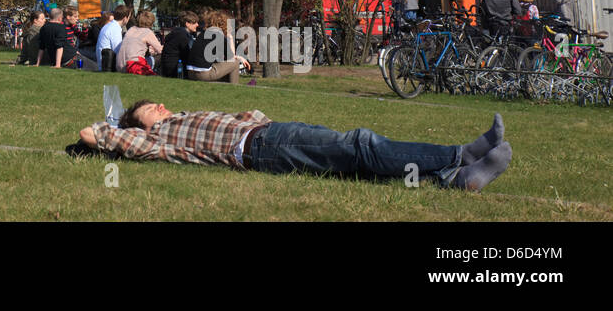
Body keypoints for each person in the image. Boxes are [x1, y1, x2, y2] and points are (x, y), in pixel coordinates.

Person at [72, 101, 512, 191]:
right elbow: (91, 135)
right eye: (151, 107)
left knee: (355, 162)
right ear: (138, 124)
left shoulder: (180, 117)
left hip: (273, 132)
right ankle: (459, 155)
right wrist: (113, 125)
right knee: (359, 145)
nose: (161, 106)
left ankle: (455, 181)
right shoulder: (154, 140)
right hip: (262, 148)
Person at [186, 9, 251, 84]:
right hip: (203, 74)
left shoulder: (203, 33)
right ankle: (235, 87)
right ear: (224, 24)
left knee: (226, 67)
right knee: (235, 63)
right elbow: (231, 58)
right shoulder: (219, 35)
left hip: (191, 74)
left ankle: (227, 86)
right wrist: (230, 38)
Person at [118, 10, 164, 74]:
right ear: (151, 23)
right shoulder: (147, 32)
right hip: (134, 65)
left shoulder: (131, 29)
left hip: (120, 65)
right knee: (162, 56)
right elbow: (161, 50)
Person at [160, 11, 199, 78]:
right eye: (194, 23)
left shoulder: (178, 32)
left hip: (168, 68)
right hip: (175, 70)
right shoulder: (183, 35)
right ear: (187, 24)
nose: (197, 25)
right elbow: (188, 54)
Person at [96, 6, 130, 73]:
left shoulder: (109, 25)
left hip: (104, 63)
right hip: (108, 67)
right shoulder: (115, 29)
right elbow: (118, 51)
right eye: (129, 17)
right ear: (125, 18)